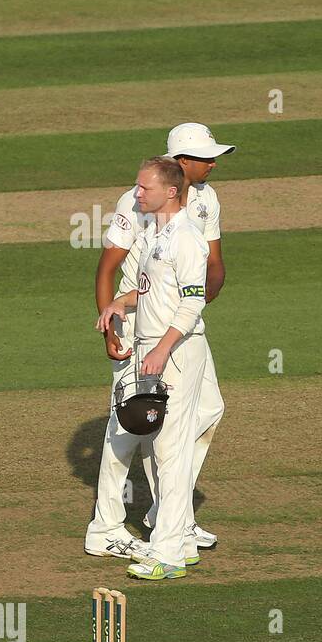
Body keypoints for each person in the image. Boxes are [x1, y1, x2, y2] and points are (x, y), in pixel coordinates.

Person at [85, 124, 234, 561]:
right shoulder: (138, 201)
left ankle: (170, 513)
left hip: (175, 324)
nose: (213, 163)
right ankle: (107, 526)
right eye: (204, 157)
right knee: (130, 423)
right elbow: (106, 267)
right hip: (138, 323)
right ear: (180, 165)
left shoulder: (205, 199)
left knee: (206, 412)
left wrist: (190, 306)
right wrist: (111, 326)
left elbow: (215, 265)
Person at [96, 158, 209, 580]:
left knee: (170, 452)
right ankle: (176, 541)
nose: (137, 194)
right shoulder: (155, 234)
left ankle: (170, 555)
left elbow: (193, 302)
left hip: (176, 352)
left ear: (171, 192)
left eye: (144, 188)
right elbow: (152, 291)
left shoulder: (186, 240)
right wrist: (118, 304)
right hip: (153, 351)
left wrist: (162, 348)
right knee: (160, 449)